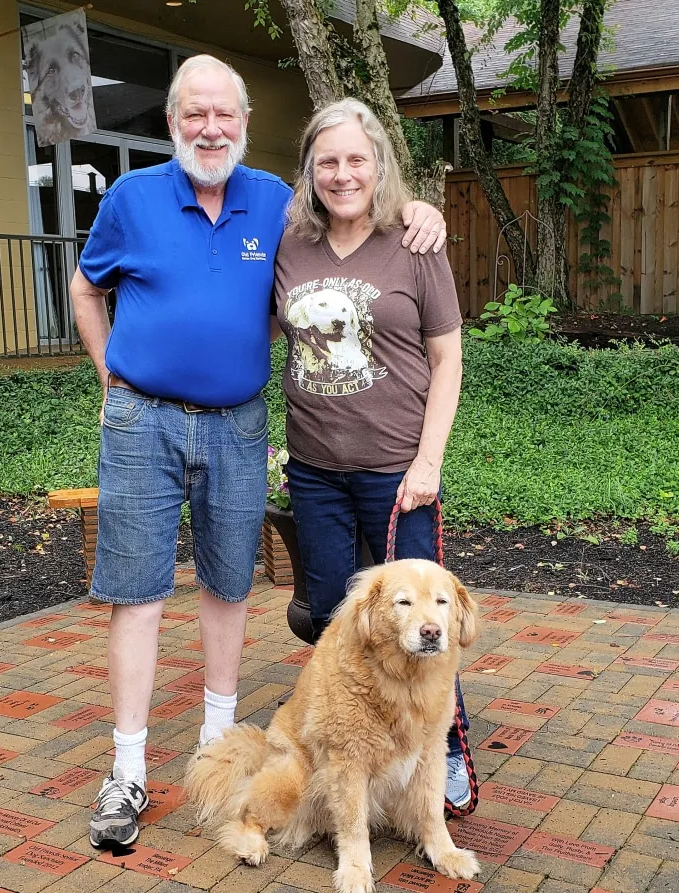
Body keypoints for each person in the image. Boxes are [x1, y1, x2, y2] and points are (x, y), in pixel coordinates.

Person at [69, 56, 447, 849]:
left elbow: (354, 214)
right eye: (194, 114)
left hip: (240, 424)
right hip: (145, 420)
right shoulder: (133, 200)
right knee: (138, 592)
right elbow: (84, 288)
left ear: (243, 124)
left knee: (229, 582)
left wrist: (418, 207)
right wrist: (111, 375)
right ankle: (128, 769)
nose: (211, 128)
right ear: (172, 121)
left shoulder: (275, 203)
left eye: (226, 115)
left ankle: (221, 738)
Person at [273, 98, 471, 809]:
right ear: (309, 170)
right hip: (315, 469)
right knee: (335, 612)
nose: (342, 173)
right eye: (327, 160)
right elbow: (262, 331)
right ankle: (358, 741)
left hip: (398, 470)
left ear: (379, 165)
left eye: (357, 158)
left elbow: (446, 359)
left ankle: (440, 749)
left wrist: (429, 461)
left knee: (425, 620)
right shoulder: (289, 243)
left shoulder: (415, 242)